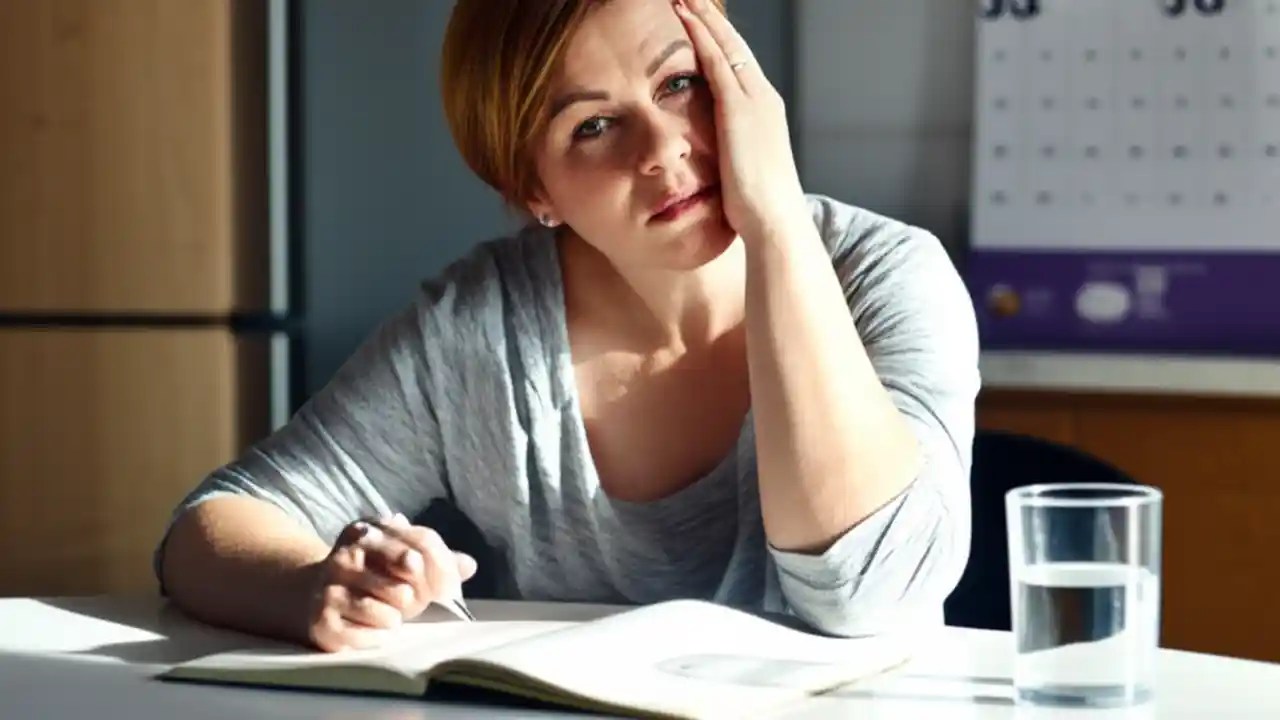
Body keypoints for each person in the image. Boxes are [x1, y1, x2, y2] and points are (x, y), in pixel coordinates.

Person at [155, 0, 980, 653]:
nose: (660, 150)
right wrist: (313, 588)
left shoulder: (887, 277)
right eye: (592, 125)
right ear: (535, 191)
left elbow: (869, 596)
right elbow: (213, 526)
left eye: (679, 84)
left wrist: (777, 225)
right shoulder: (480, 330)